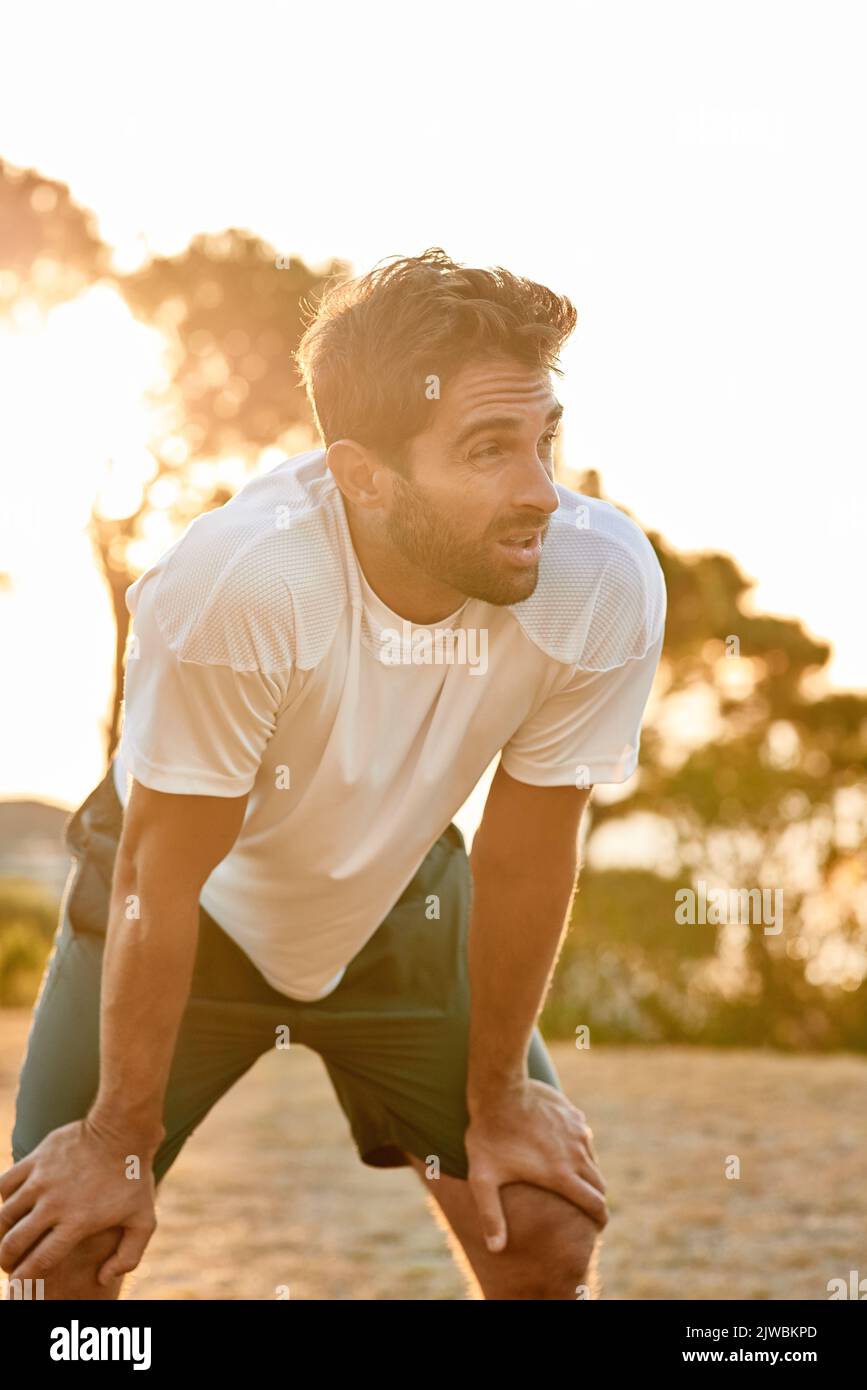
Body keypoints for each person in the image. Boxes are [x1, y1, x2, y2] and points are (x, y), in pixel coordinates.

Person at [1, 248, 666, 1300]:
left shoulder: (599, 581)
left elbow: (531, 848)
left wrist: (499, 1096)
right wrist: (116, 1137)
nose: (541, 490)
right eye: (490, 448)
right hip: (187, 912)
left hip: (399, 908)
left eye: (545, 439)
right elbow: (158, 877)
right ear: (363, 475)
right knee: (62, 1246)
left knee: (539, 1224)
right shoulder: (244, 580)